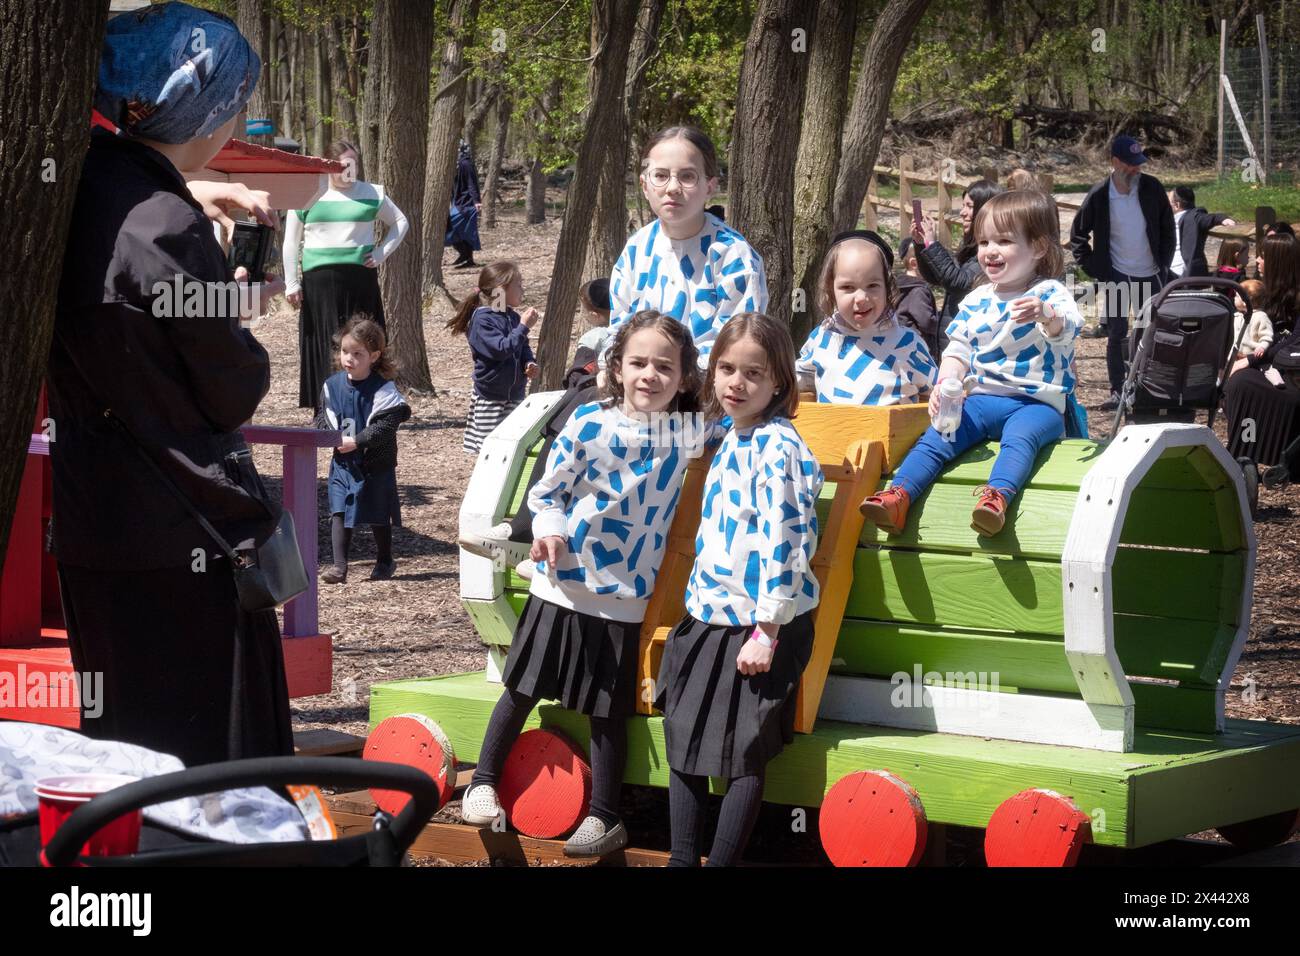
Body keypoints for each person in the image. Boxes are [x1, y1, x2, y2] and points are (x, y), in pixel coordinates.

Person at [48, 1, 292, 767]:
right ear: (204, 105)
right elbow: (229, 389)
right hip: (186, 538)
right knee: (207, 772)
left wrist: (191, 197)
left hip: (95, 525)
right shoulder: (167, 227)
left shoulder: (75, 189)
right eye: (235, 102)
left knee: (119, 755)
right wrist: (232, 307)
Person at [460, 312, 710, 857]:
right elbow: (547, 493)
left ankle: (604, 816)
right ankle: (482, 780)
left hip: (624, 598)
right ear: (615, 368)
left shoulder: (686, 431)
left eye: (665, 366)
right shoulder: (589, 423)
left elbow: (740, 409)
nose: (650, 374)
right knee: (521, 688)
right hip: (562, 584)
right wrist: (547, 530)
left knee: (606, 712)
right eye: (639, 362)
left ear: (686, 377)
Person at [654, 313, 822, 867]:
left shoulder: (779, 448)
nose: (735, 383)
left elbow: (786, 541)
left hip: (759, 625)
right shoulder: (731, 434)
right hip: (707, 614)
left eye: (753, 373)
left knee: (743, 753)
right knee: (683, 741)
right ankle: (683, 858)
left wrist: (767, 631)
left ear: (779, 383)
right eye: (726, 369)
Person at [862, 190, 1083, 537]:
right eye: (983, 241)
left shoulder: (1050, 293)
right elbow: (958, 349)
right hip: (980, 400)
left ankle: (996, 498)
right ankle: (899, 494)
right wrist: (946, 384)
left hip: (1035, 403)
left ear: (1038, 248)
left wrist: (1046, 316)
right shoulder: (979, 298)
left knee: (1020, 438)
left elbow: (1067, 330)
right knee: (939, 435)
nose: (990, 251)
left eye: (1004, 241)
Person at [608, 126, 767, 370]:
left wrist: (677, 378)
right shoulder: (635, 250)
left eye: (687, 176)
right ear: (644, 185)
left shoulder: (733, 256)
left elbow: (739, 342)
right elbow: (618, 331)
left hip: (706, 391)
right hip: (639, 387)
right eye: (660, 176)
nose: (673, 188)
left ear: (710, 187)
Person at [283, 140, 409, 409]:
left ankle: (366, 402)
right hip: (318, 284)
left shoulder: (372, 192)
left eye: (353, 164)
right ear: (327, 165)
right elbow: (290, 241)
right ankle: (324, 406)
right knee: (325, 340)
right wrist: (291, 282)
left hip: (359, 281)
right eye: (342, 165)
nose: (348, 171)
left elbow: (400, 222)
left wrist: (380, 253)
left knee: (362, 339)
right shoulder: (306, 192)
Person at [1068, 135, 1175, 408]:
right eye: (1130, 164)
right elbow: (1078, 235)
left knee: (1151, 333)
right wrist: (1095, 268)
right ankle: (1118, 390)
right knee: (1117, 334)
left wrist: (1164, 263)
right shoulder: (1100, 194)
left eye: (1139, 163)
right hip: (1117, 275)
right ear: (1115, 162)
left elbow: (1167, 229)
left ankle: (1149, 389)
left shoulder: (1152, 188)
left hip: (1151, 274)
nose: (1136, 169)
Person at [316, 317, 411, 584]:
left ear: (374, 356)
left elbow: (386, 426)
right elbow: (322, 418)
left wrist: (357, 441)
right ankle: (339, 566)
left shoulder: (384, 390)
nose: (349, 358)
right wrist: (331, 438)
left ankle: (384, 560)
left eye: (357, 354)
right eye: (345, 351)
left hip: (374, 464)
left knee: (378, 512)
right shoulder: (331, 386)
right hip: (342, 464)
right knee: (338, 511)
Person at [796, 231, 936, 406]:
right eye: (848, 287)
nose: (861, 297)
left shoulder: (908, 344)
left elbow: (937, 389)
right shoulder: (822, 338)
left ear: (888, 287)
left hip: (891, 432)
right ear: (831, 291)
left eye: (872, 286)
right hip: (831, 430)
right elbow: (800, 379)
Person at [447, 261, 540, 454]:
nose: (523, 289)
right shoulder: (482, 320)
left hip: (515, 393)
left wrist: (528, 362)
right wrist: (523, 327)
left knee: (511, 445)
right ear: (501, 290)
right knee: (488, 449)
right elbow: (500, 349)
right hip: (491, 395)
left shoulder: (512, 317)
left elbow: (522, 347)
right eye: (519, 285)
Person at [1225, 231, 1300, 467]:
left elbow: (1291, 340)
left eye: (1263, 256)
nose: (1257, 261)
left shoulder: (1296, 297)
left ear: (1277, 262)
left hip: (1290, 373)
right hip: (1275, 366)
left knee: (1241, 383)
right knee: (1236, 382)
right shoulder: (1267, 294)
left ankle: (1247, 456)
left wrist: (1251, 359)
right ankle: (1246, 453)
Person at [911, 179, 1004, 339]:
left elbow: (958, 282)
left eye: (969, 206)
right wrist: (922, 244)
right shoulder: (970, 246)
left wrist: (932, 244)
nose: (962, 212)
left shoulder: (991, 253)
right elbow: (937, 277)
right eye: (963, 206)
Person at [1168, 185, 1236, 279]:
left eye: (1168, 201)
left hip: (1182, 275)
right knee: (1146, 285)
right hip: (1167, 271)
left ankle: (1143, 292)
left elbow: (1209, 218)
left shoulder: (1193, 217)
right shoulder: (1169, 220)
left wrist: (1223, 219)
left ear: (1177, 205)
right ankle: (1143, 292)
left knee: (1146, 286)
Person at [895, 235, 943, 358]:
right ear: (915, 264)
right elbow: (926, 322)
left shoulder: (901, 286)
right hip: (919, 348)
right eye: (930, 262)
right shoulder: (917, 290)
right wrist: (941, 324)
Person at [447, 139, 482, 269]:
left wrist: (476, 201)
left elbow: (471, 183)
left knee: (456, 228)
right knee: (460, 230)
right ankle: (465, 256)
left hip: (466, 204)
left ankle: (467, 257)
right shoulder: (457, 164)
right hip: (458, 202)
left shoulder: (465, 163)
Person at [1230, 278, 1273, 365]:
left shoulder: (1261, 316)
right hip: (1234, 357)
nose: (1234, 298)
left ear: (1246, 301)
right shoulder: (1237, 316)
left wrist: (1262, 347)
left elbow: (1267, 336)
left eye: (1237, 296)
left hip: (1251, 357)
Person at [576, 277, 614, 360]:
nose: (583, 314)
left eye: (584, 310)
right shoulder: (637, 327)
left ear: (595, 315)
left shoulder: (591, 340)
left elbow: (581, 371)